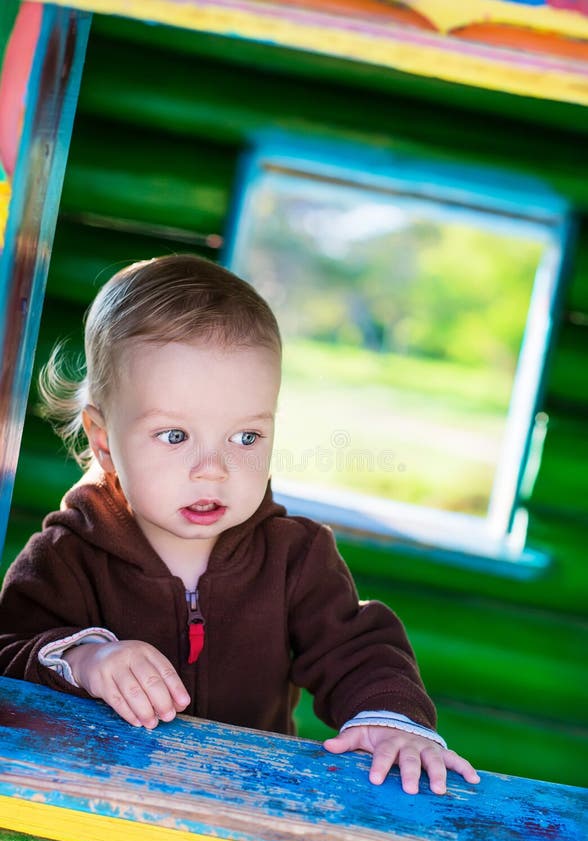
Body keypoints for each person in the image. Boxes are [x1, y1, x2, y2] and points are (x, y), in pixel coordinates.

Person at [0, 254, 479, 795]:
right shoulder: (66, 556)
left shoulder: (294, 556)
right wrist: (84, 658)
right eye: (175, 436)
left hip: (251, 801)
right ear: (103, 440)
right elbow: (8, 650)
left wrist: (392, 720)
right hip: (99, 799)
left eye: (245, 437)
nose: (214, 469)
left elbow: (356, 648)